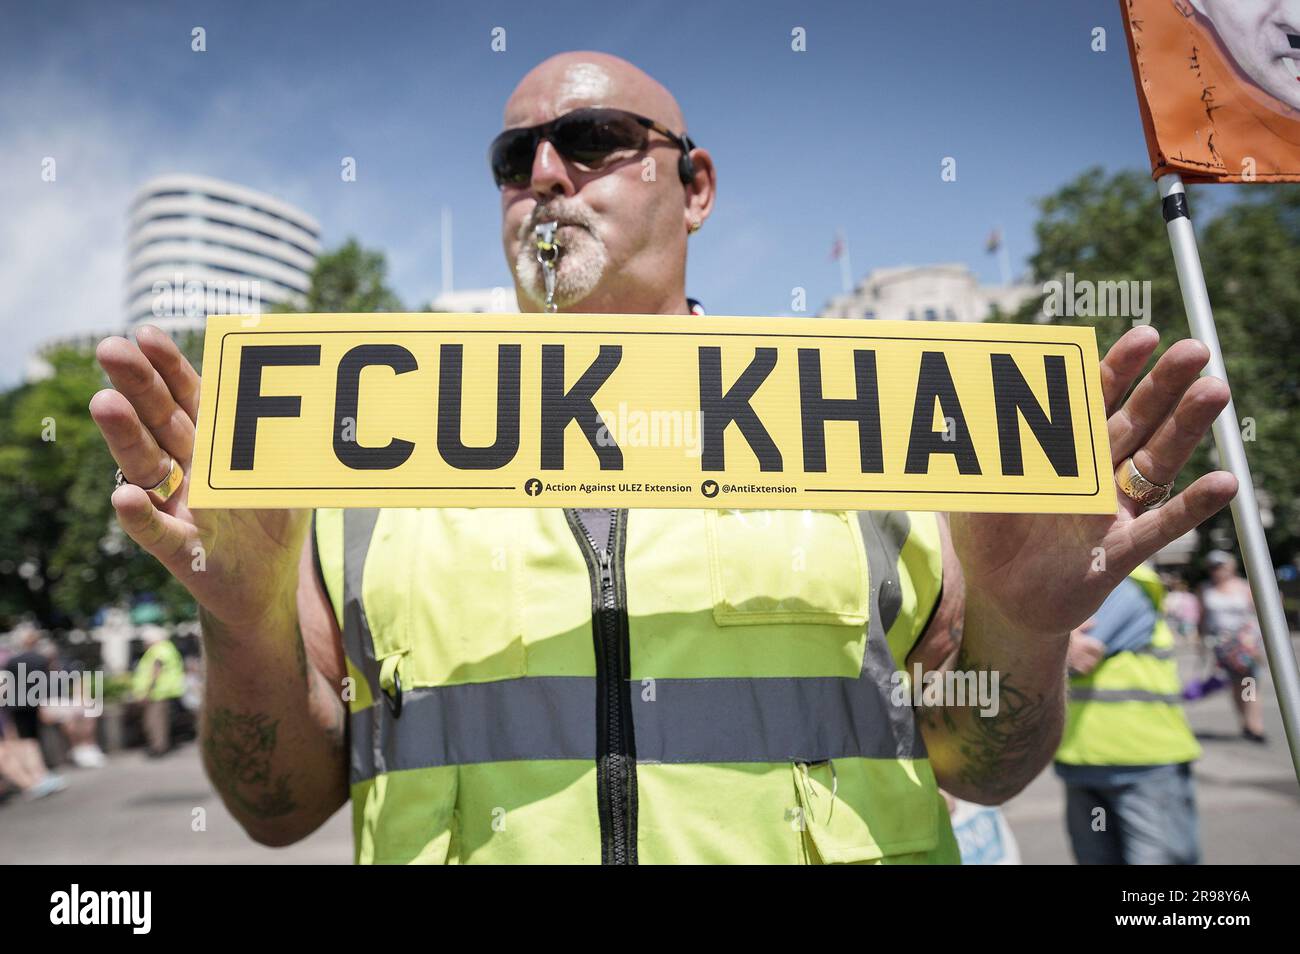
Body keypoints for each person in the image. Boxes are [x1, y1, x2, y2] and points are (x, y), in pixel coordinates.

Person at [87, 52, 1238, 863]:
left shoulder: (878, 427)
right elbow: (278, 812)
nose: (544, 174)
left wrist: (1024, 629)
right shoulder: (344, 460)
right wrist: (239, 626)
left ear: (695, 186)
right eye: (513, 155)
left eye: (590, 142)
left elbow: (979, 769)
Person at [1055, 565, 1203, 864]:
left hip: (1144, 764)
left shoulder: (1125, 584)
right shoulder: (1068, 583)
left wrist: (1027, 637)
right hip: (1081, 759)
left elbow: (1077, 657)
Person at [1199, 549, 1267, 742]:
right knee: (1235, 685)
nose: (1216, 571)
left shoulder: (1244, 587)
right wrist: (1201, 644)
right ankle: (1244, 721)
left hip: (1246, 645)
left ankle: (1255, 724)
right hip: (1222, 645)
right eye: (1213, 567)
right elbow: (1203, 618)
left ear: (1231, 566)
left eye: (1220, 566)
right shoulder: (1206, 589)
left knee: (1250, 683)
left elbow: (1261, 613)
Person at [0, 629, 68, 800]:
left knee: (22, 742)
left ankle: (35, 779)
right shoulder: (41, 659)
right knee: (27, 742)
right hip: (31, 704)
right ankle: (36, 779)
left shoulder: (12, 661)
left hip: (14, 706)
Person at [131, 626, 186, 757]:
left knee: (155, 722)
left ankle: (158, 748)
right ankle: (160, 746)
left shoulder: (158, 650)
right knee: (159, 721)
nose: (144, 643)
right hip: (163, 692)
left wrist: (146, 691)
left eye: (145, 640)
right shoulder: (167, 648)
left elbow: (156, 671)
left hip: (157, 693)